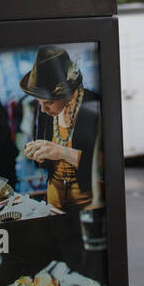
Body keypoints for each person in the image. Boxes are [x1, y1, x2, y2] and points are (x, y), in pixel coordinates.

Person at [21, 45, 102, 212]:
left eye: (48, 102)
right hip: (53, 200)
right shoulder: (45, 111)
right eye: (39, 102)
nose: (43, 109)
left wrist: (62, 152)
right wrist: (38, 153)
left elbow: (103, 162)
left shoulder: (94, 105)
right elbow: (45, 160)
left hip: (86, 203)